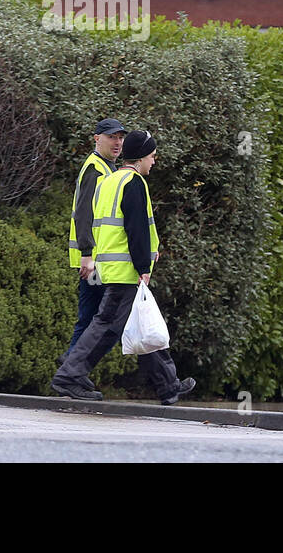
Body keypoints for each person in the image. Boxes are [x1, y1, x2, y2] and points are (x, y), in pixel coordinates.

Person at [51, 130, 196, 405]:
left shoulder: (110, 180)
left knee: (141, 324)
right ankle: (69, 375)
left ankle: (168, 386)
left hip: (112, 269)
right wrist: (143, 266)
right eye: (152, 156)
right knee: (106, 328)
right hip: (126, 271)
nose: (153, 162)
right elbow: (136, 229)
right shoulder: (134, 182)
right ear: (141, 157)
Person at [62, 119, 126, 384]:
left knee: (91, 319)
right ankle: (71, 369)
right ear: (96, 138)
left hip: (99, 260)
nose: (118, 142)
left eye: (121, 137)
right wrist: (87, 255)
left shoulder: (106, 168)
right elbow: (85, 214)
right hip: (95, 262)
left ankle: (70, 366)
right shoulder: (95, 169)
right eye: (112, 137)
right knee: (96, 320)